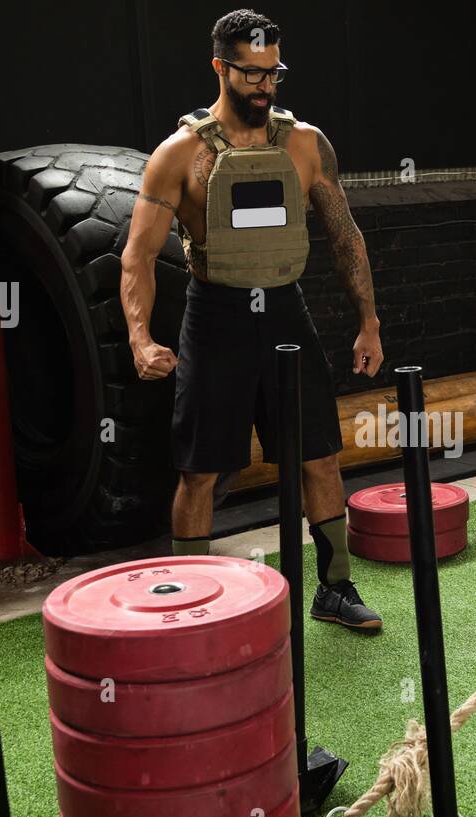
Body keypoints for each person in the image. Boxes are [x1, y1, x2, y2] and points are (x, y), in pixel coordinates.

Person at [120, 8, 385, 632]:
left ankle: (336, 588)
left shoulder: (304, 144)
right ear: (220, 67)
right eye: (250, 75)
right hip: (215, 318)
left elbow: (345, 235)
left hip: (286, 313)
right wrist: (139, 336)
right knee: (202, 469)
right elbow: (137, 257)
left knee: (318, 454)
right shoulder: (178, 155)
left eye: (273, 74)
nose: (264, 87)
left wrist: (368, 321)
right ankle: (188, 601)